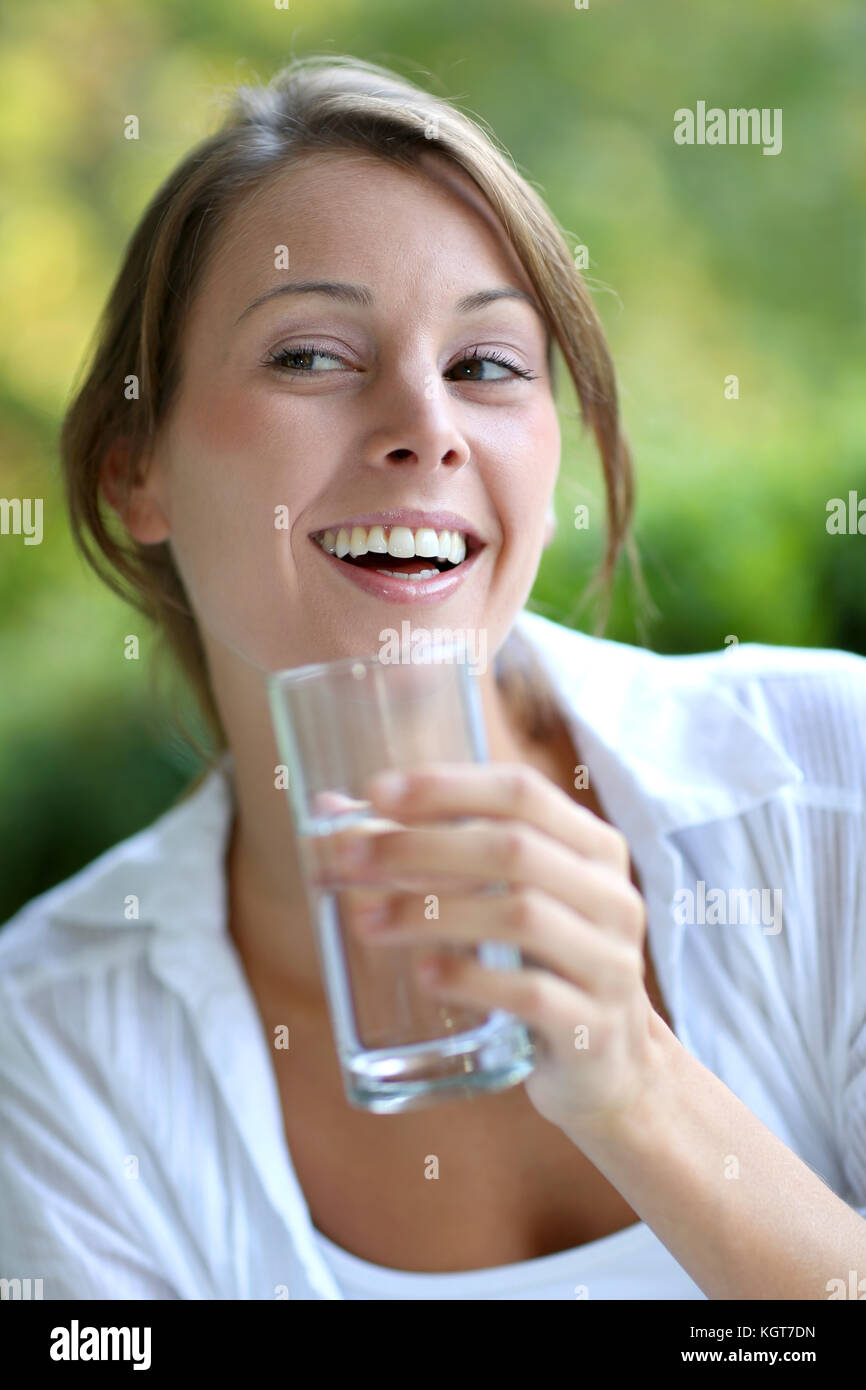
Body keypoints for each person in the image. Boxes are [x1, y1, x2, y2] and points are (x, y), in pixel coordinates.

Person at [1, 55, 865, 1302]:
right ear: (137, 470)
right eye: (309, 355)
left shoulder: (827, 791)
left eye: (487, 364)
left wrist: (638, 1088)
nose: (427, 421)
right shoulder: (56, 1044)